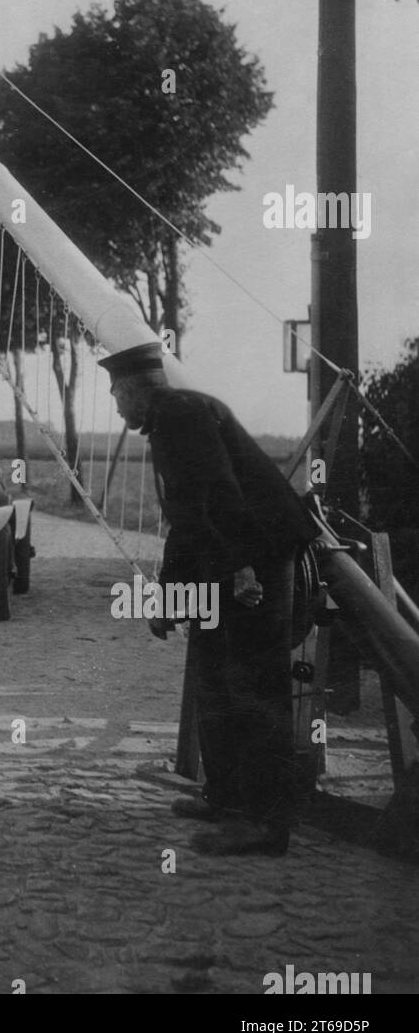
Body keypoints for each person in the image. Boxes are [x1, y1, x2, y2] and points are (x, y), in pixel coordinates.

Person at [99, 343, 320, 856]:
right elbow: (190, 518)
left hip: (256, 560)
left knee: (254, 688)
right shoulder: (173, 417)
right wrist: (171, 599)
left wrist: (241, 566)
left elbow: (221, 493)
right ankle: (225, 797)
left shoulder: (179, 414)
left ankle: (266, 825)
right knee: (216, 680)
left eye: (115, 391)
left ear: (134, 388)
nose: (114, 404)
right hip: (230, 559)